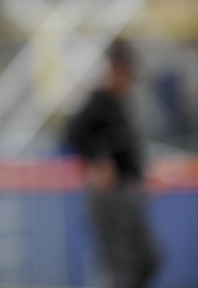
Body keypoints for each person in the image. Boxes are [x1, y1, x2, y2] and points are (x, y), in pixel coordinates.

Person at [66, 40, 161, 288]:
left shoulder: (119, 103)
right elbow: (72, 134)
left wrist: (139, 178)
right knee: (122, 268)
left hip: (126, 191)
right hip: (109, 196)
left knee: (146, 259)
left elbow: (125, 148)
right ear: (115, 70)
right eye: (126, 72)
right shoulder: (100, 101)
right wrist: (97, 161)